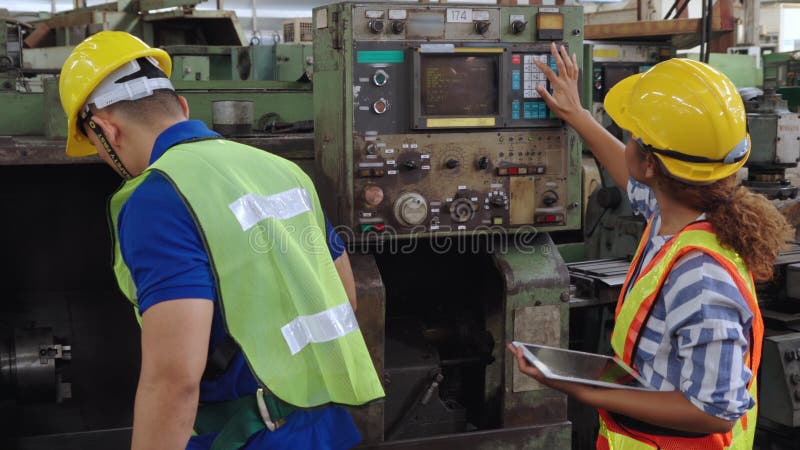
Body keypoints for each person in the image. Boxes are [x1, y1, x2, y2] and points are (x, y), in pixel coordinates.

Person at [59, 31, 384, 450]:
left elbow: (174, 379)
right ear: (181, 106)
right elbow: (344, 299)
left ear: (106, 130)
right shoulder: (282, 170)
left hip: (246, 437)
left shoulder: (157, 198)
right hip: (326, 429)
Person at [509, 43, 793, 449]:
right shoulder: (680, 216)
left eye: (633, 138)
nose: (626, 143)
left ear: (648, 165)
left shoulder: (699, 276)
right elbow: (631, 179)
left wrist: (584, 390)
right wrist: (578, 116)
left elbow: (713, 409)